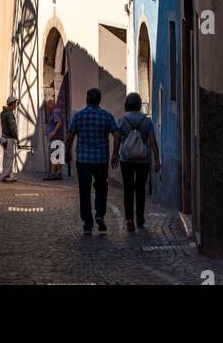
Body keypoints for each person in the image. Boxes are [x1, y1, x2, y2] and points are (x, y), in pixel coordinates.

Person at [66, 87, 120, 235]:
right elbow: (117, 135)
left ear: (87, 99)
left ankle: (87, 224)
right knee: (101, 188)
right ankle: (100, 215)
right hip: (101, 160)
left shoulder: (78, 116)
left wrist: (66, 152)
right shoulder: (107, 116)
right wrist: (115, 153)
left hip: (83, 160)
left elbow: (70, 136)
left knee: (84, 191)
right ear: (100, 100)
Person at [112, 92, 160, 232]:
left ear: (127, 104)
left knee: (128, 189)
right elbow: (152, 141)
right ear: (139, 105)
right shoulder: (147, 122)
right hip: (143, 160)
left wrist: (115, 154)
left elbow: (117, 139)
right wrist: (157, 160)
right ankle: (140, 218)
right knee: (140, 188)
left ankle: (129, 220)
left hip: (126, 159)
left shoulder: (121, 120)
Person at [0, 96, 19, 181]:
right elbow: (12, 127)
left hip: (4, 138)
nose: (16, 105)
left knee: (6, 157)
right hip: (9, 138)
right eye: (15, 104)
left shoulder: (3, 113)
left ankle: (8, 174)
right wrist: (16, 137)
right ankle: (6, 175)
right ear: (12, 104)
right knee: (9, 157)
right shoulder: (10, 114)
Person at [46, 98, 65, 180]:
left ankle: (53, 173)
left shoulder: (55, 112)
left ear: (52, 104)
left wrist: (53, 132)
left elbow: (59, 122)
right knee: (59, 155)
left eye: (48, 105)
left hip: (56, 137)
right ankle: (59, 173)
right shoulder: (56, 111)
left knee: (54, 155)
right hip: (59, 137)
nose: (47, 107)